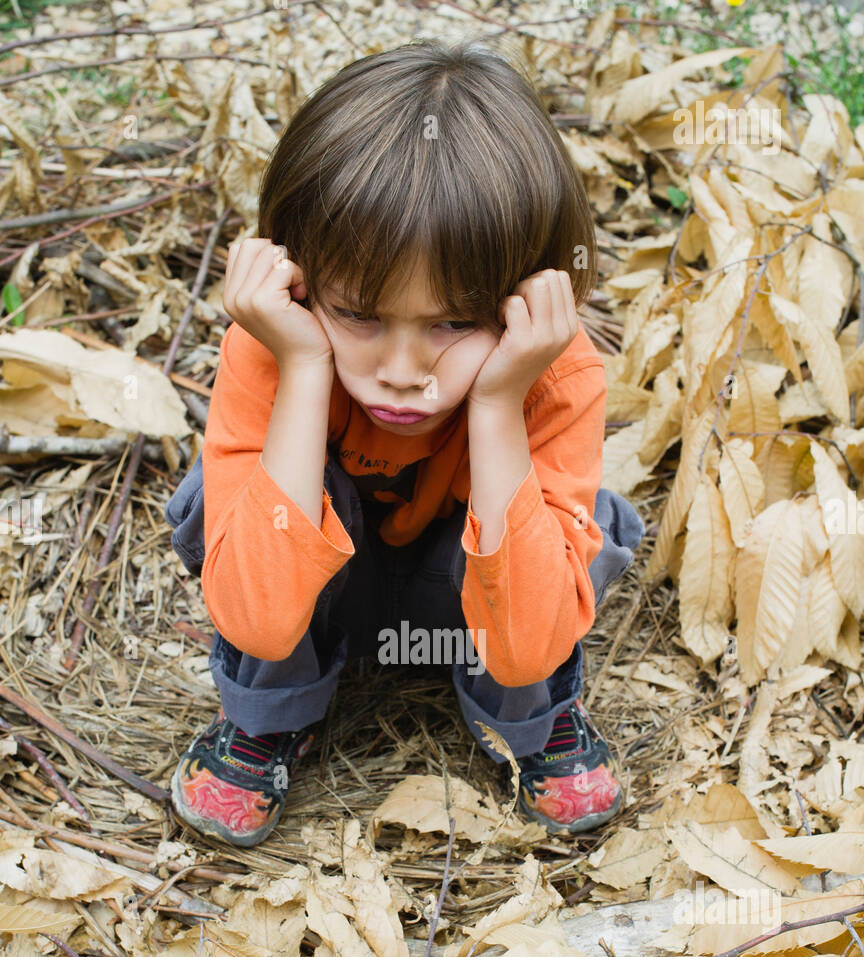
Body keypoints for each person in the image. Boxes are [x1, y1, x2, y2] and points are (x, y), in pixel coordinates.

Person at [164, 39, 644, 849]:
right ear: (296, 278)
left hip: (465, 602)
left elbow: (525, 644)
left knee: (566, 526)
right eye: (357, 314)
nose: (399, 371)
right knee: (233, 502)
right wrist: (306, 365)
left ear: (528, 299)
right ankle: (268, 715)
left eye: (453, 323)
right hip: (326, 592)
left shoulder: (555, 379)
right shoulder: (276, 345)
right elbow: (254, 617)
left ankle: (532, 723)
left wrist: (496, 401)